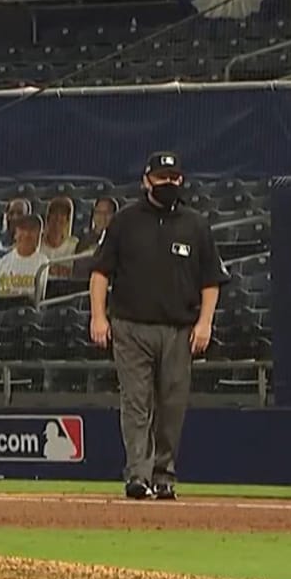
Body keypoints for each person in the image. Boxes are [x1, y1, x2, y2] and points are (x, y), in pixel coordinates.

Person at [90, 151, 229, 501]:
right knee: (136, 403)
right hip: (130, 326)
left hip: (179, 329)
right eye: (161, 178)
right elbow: (100, 272)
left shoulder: (196, 225)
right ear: (146, 180)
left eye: (173, 178)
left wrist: (205, 323)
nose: (168, 183)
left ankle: (163, 474)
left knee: (171, 405)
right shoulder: (124, 221)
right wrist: (98, 316)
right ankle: (138, 474)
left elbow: (210, 280)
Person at [0, 213, 48, 300]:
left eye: (32, 229)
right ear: (15, 234)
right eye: (23, 229)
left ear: (39, 235)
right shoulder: (4, 261)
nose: (26, 234)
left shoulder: (44, 263)